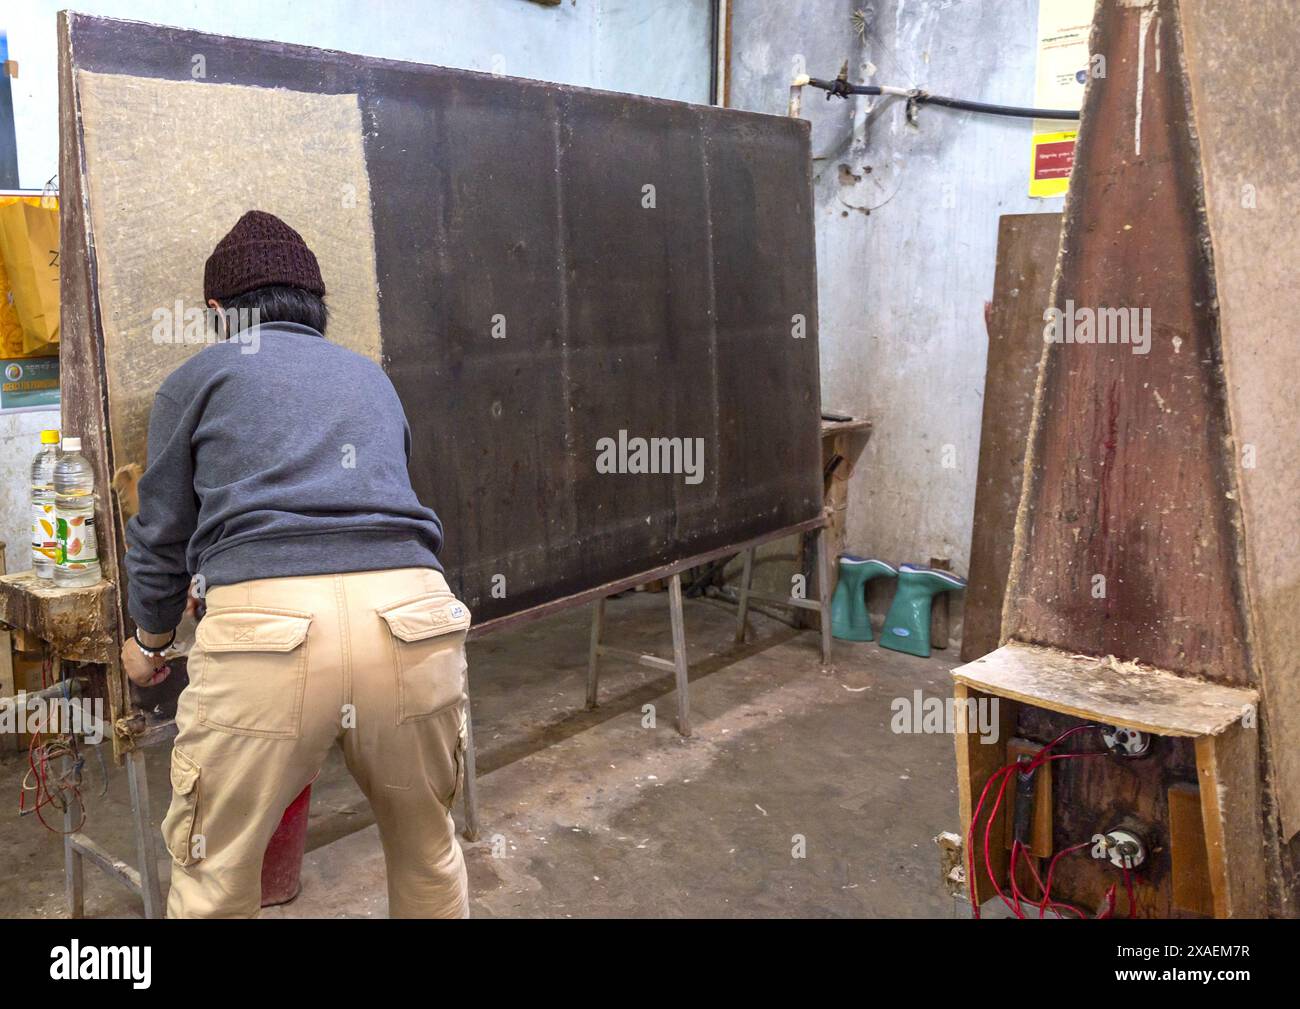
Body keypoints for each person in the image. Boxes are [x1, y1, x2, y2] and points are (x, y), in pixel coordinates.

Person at [121, 210, 469, 918]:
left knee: (214, 880)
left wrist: (150, 641)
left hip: (268, 635)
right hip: (413, 618)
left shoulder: (196, 378)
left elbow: (160, 537)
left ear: (218, 311)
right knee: (430, 856)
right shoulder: (370, 377)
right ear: (314, 306)